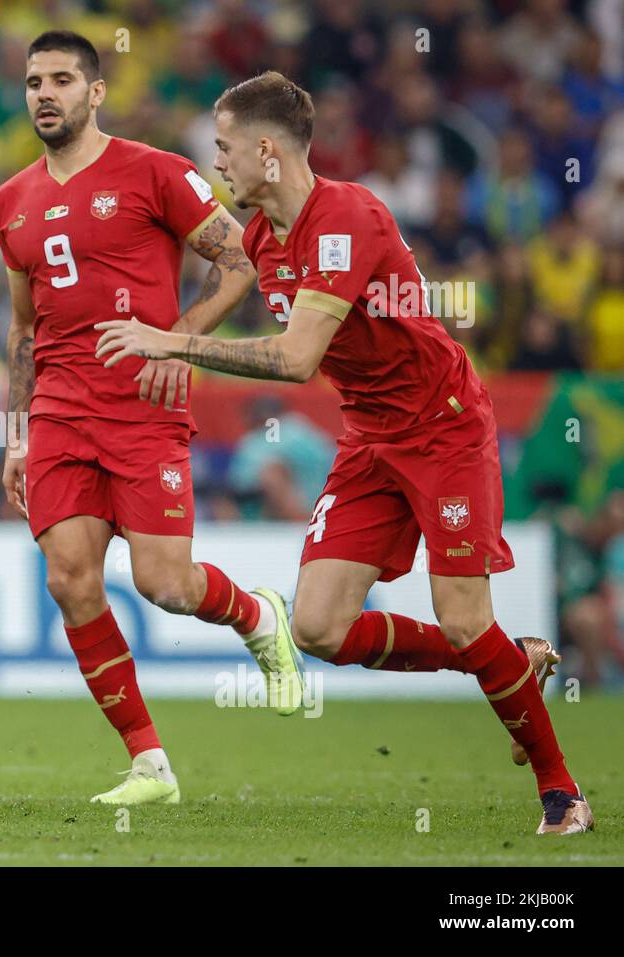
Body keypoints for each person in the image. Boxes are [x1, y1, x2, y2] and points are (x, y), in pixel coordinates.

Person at [95, 71, 592, 835]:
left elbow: (296, 361)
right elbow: (217, 274)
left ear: (267, 150)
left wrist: (178, 344)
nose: (215, 164)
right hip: (370, 435)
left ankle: (562, 792)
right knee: (317, 628)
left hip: (444, 426)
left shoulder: (348, 217)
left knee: (463, 618)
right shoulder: (261, 234)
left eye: (223, 148)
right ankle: (506, 663)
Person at [0, 32, 301, 807]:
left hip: (144, 407)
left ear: (96, 92)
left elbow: (240, 260)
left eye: (63, 79)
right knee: (70, 577)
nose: (45, 94)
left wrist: (183, 341)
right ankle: (149, 763)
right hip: (61, 408)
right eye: (34, 82)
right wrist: (19, 432)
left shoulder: (156, 172)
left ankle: (257, 614)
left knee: (164, 583)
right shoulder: (10, 201)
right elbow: (24, 330)